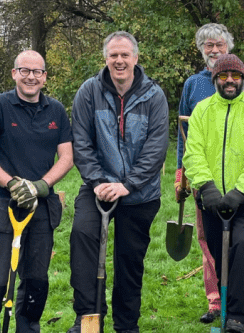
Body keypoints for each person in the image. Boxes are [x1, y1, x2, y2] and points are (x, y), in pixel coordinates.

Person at [67, 32, 169, 333]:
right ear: (106, 58)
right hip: (96, 187)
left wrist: (129, 184)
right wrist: (97, 181)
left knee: (129, 262)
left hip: (140, 193)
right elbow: (81, 142)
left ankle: (126, 325)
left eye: (125, 55)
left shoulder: (154, 96)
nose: (119, 61)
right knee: (82, 239)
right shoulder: (89, 92)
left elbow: (156, 147)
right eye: (113, 55)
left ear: (136, 58)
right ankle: (88, 318)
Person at [0, 50, 73, 333]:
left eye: (37, 72)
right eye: (24, 71)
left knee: (36, 281)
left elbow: (67, 157)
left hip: (42, 207)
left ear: (45, 77)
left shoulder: (56, 111)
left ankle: (28, 328)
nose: (31, 76)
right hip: (3, 204)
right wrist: (13, 184)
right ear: (14, 73)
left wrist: (42, 185)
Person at [176, 23, 244, 324]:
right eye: (208, 46)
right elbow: (186, 137)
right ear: (202, 51)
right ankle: (216, 302)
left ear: (229, 47)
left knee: (242, 244)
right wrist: (186, 176)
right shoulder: (193, 86)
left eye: (219, 45)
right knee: (208, 242)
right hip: (207, 184)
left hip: (243, 188)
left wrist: (242, 189)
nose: (214, 51)